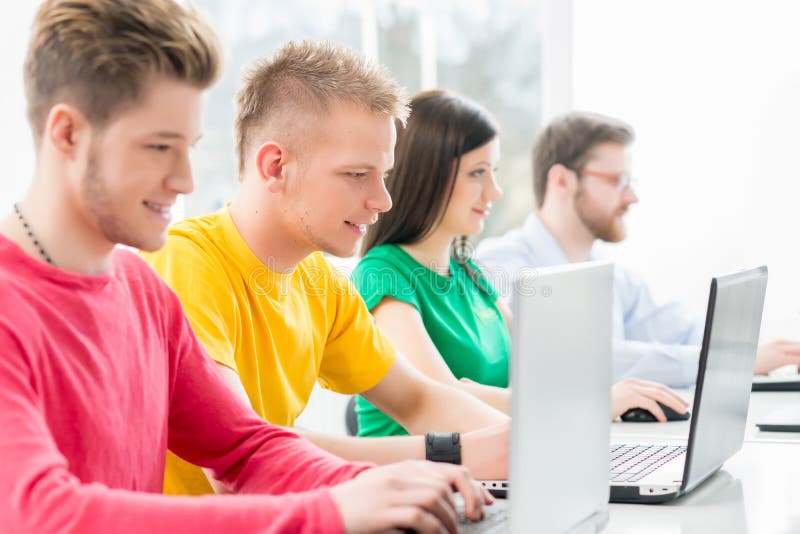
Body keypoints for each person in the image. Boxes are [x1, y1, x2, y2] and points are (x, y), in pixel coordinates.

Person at [0, 2, 489, 532]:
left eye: (189, 148)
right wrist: (332, 508)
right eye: (159, 147)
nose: (185, 181)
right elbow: (44, 513)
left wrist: (371, 484)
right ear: (68, 135)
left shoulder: (142, 290)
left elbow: (245, 449)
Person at [141, 40, 510, 496]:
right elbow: (240, 462)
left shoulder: (319, 282)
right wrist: (455, 454)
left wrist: (525, 445)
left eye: (383, 176)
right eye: (356, 175)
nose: (383, 201)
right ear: (276, 167)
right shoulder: (185, 263)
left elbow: (418, 399)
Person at [350, 90, 688, 437]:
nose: (494, 191)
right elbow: (442, 398)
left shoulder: (470, 273)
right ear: (428, 177)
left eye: (493, 171)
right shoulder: (382, 274)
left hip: (487, 461)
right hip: (417, 468)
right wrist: (591, 403)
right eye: (477, 173)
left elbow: (547, 371)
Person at [477, 111, 800, 387]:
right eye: (615, 180)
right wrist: (725, 362)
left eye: (629, 181)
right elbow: (582, 359)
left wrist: (760, 352)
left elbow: (681, 330)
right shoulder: (502, 266)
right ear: (561, 180)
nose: (631, 197)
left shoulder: (613, 277)